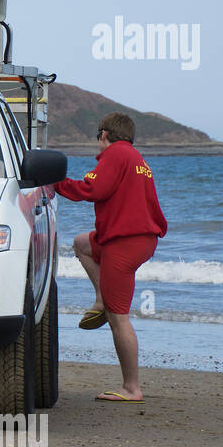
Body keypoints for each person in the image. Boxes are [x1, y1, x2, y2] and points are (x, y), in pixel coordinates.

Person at [54, 112, 168, 403]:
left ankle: (132, 388)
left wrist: (56, 183)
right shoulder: (136, 159)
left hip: (124, 243)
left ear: (104, 134)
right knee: (82, 243)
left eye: (98, 137)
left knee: (119, 319)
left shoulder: (115, 155)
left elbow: (94, 189)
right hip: (139, 238)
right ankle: (101, 298)